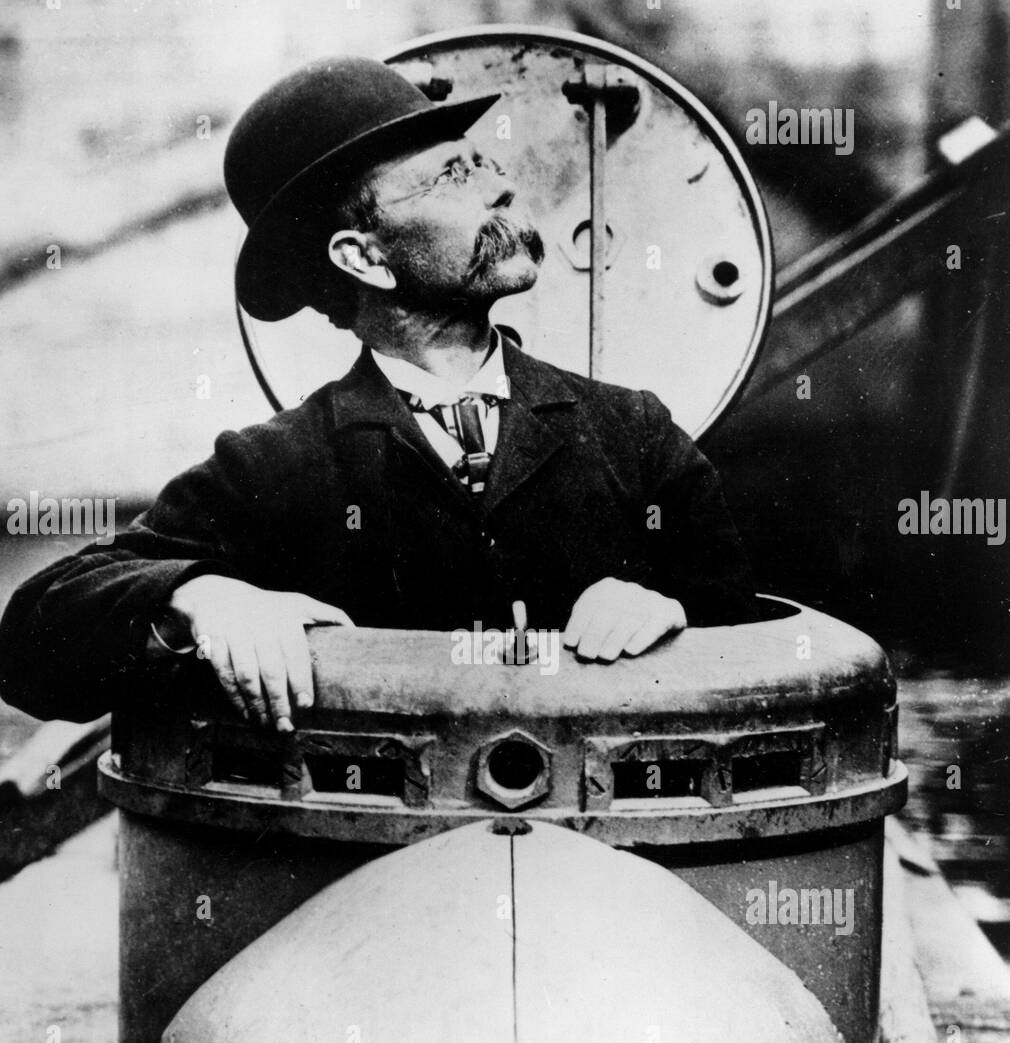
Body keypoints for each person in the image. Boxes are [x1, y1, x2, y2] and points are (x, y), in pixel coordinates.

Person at [0, 57, 757, 732]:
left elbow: (759, 630)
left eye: (483, 162)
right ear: (363, 258)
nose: (501, 183)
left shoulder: (633, 430)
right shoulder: (274, 467)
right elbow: (34, 634)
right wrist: (204, 598)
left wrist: (673, 612)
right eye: (453, 175)